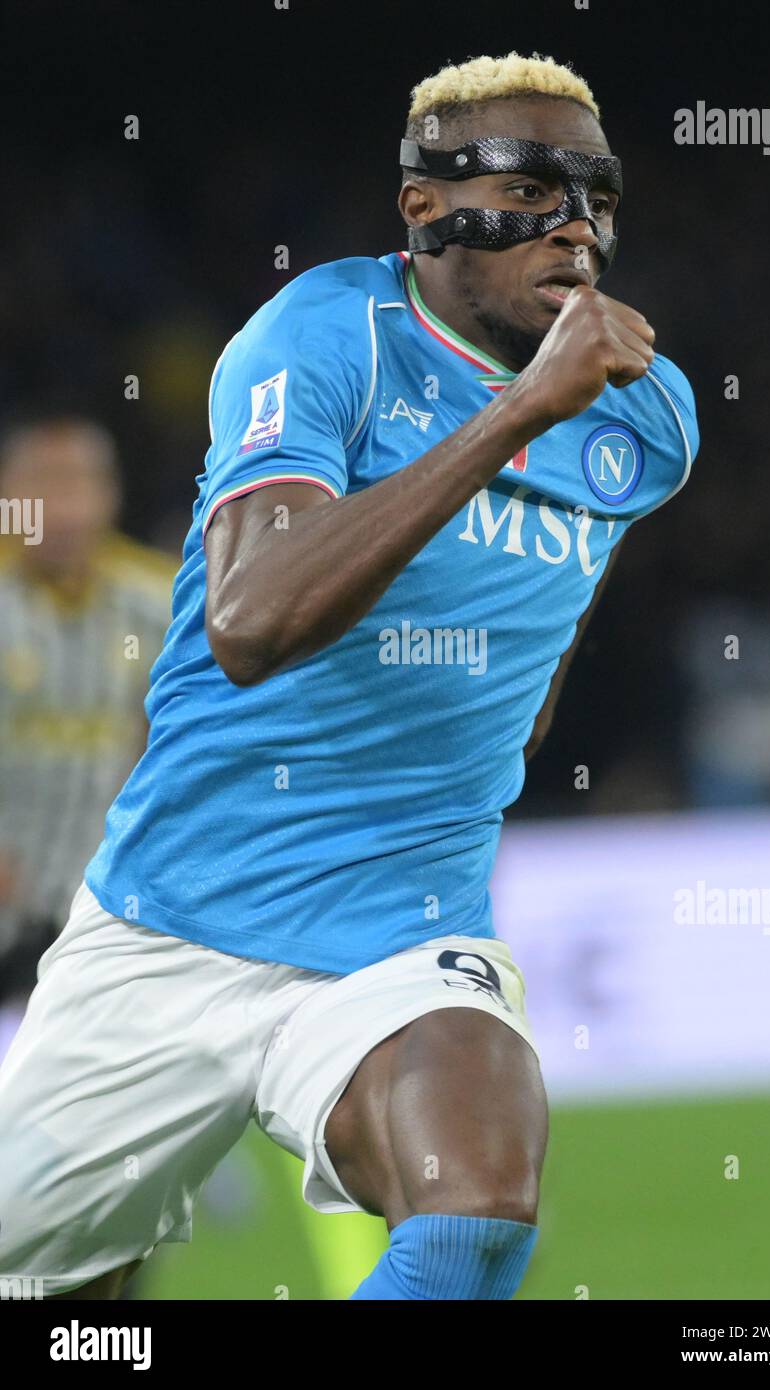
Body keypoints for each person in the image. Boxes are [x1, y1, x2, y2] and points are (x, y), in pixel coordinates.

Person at [0, 52, 698, 1301]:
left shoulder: (642, 421)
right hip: (169, 925)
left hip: (398, 933)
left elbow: (542, 642)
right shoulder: (325, 336)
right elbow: (252, 622)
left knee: (477, 1207)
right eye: (529, 188)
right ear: (424, 207)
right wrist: (517, 414)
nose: (575, 225)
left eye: (594, 192)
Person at [0, 419, 172, 1033]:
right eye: (42, 484)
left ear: (111, 494)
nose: (63, 505)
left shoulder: (159, 602)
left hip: (99, 895)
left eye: (80, 483)